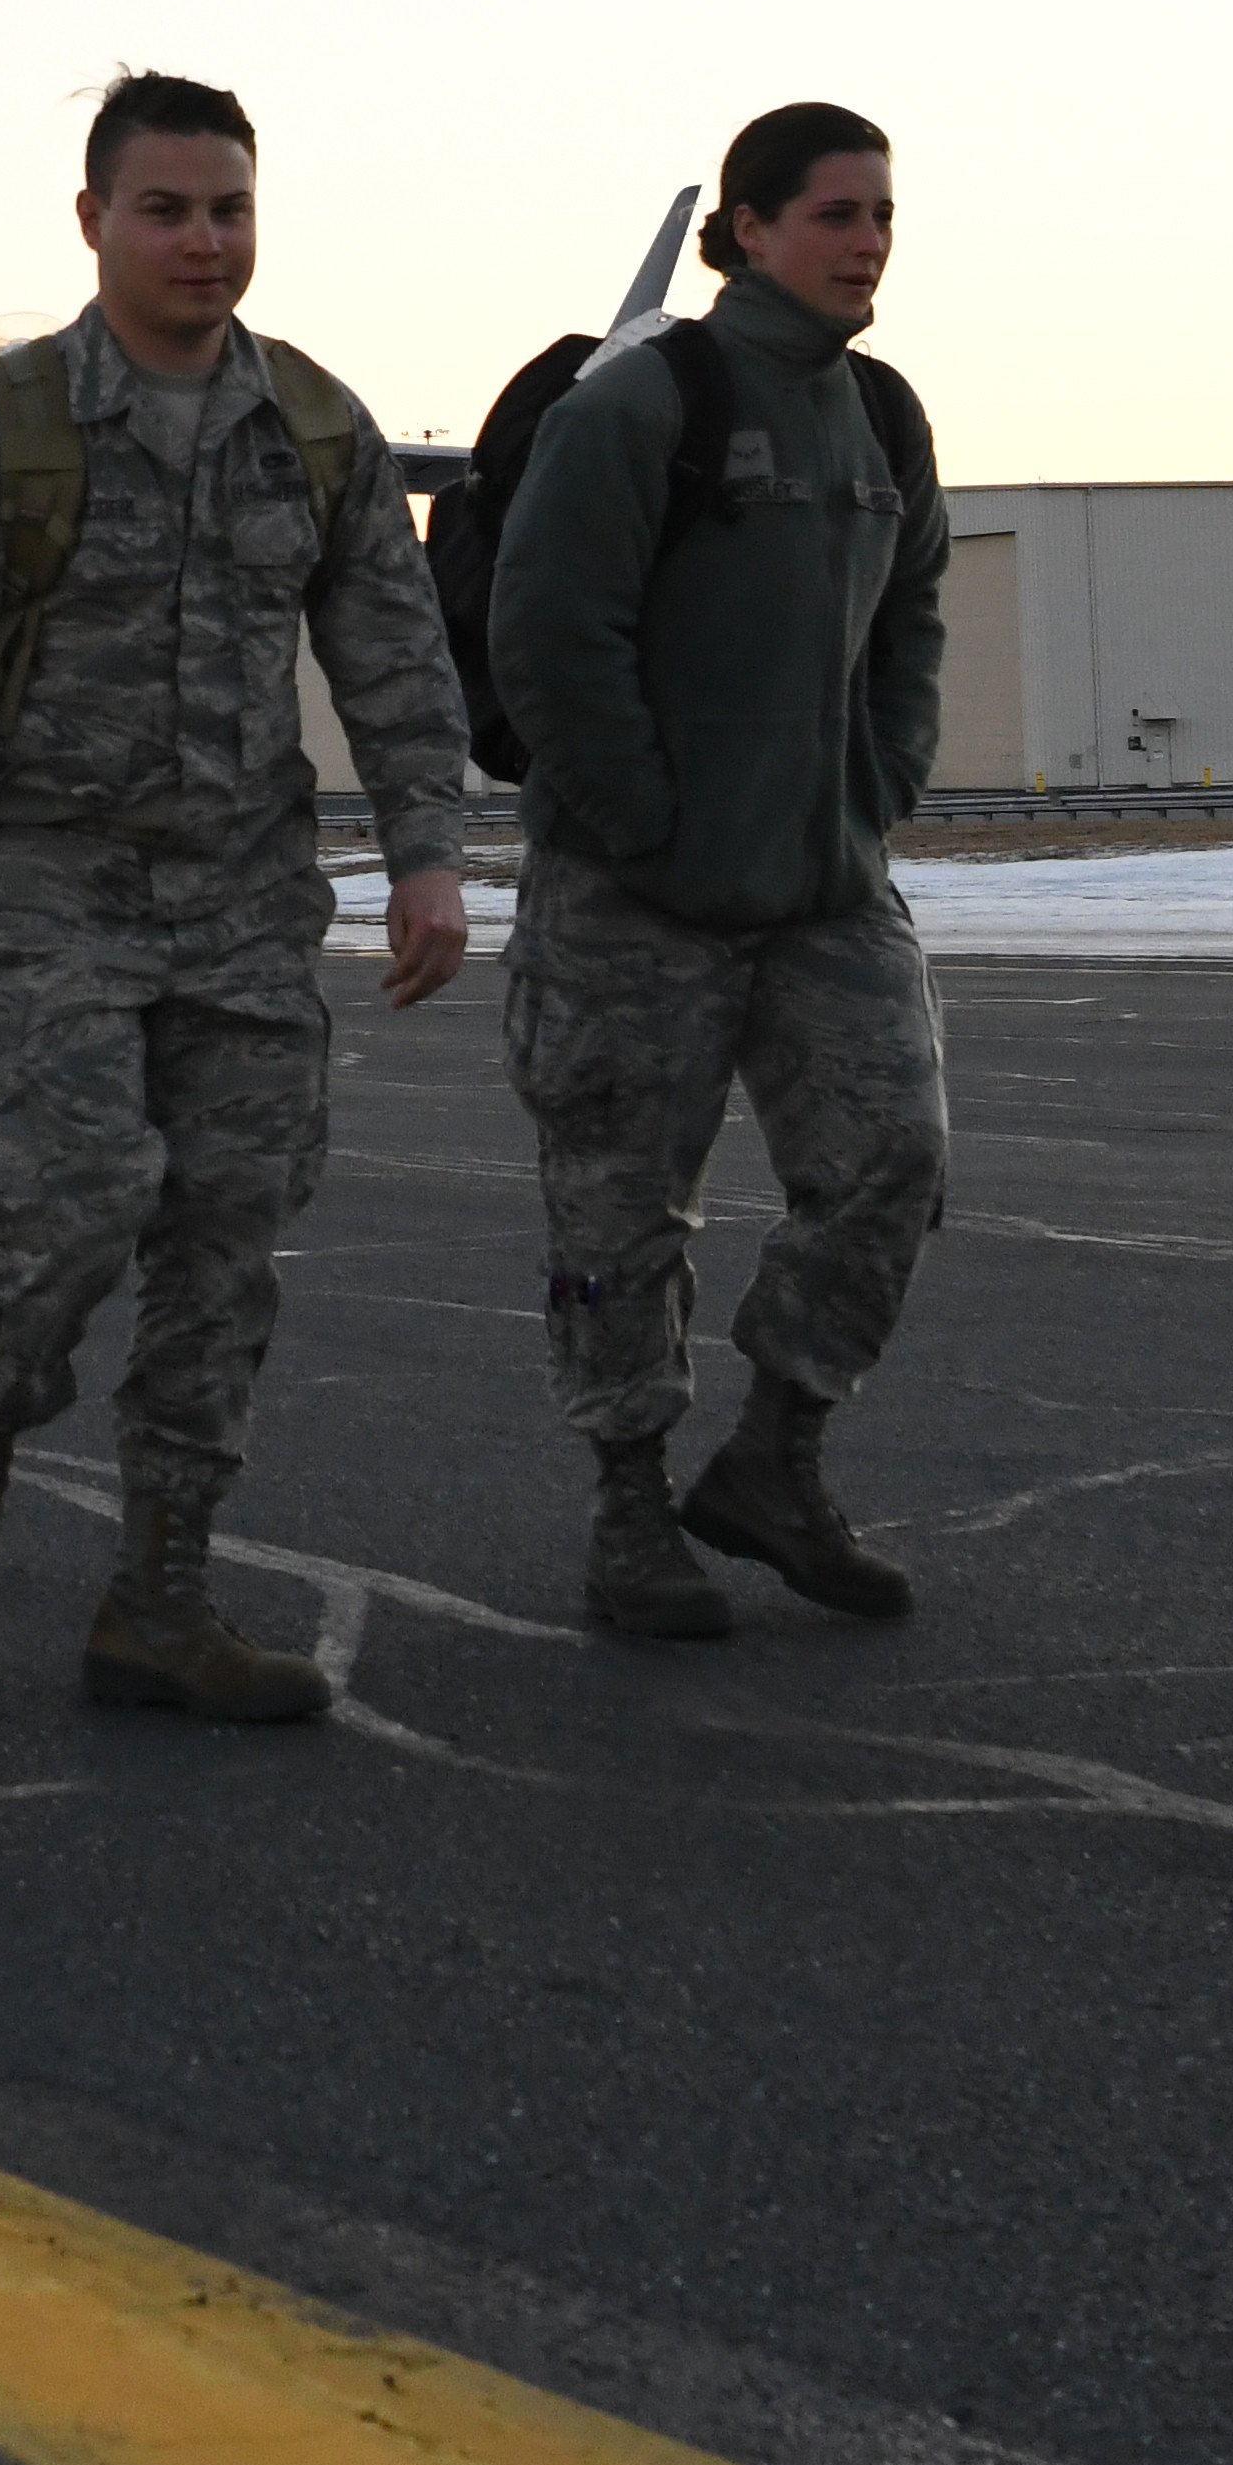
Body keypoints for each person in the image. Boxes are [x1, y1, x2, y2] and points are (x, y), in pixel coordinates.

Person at [0, 75, 472, 1723]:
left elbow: (392, 651)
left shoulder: (313, 428)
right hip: (47, 888)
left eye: (230, 208)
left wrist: (426, 855)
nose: (205, 240)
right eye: (167, 209)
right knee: (70, 1213)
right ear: (93, 220)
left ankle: (161, 1604)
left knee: (225, 1253)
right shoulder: (8, 432)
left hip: (247, 903)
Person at [484, 99, 951, 1643]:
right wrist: (643, 823)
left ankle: (776, 1462)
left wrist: (878, 788)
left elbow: (912, 617)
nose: (868, 242)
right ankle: (630, 1509)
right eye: (835, 214)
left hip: (825, 880)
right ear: (748, 230)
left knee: (893, 1159)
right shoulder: (645, 400)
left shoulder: (882, 415)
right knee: (619, 1215)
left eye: (882, 215)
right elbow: (552, 627)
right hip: (634, 894)